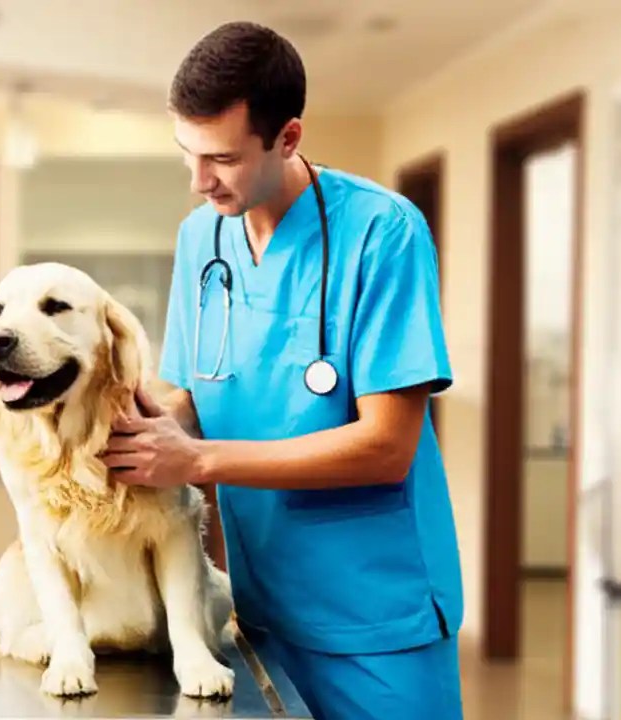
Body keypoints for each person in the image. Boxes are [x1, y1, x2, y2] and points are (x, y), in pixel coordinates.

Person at [99, 21, 464, 719]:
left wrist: (196, 459)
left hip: (374, 616)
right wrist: (124, 424)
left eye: (223, 159)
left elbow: (388, 446)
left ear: (288, 137)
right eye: (188, 154)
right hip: (257, 605)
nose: (200, 181)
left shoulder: (383, 233)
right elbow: (192, 396)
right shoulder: (200, 236)